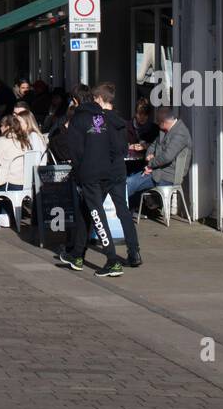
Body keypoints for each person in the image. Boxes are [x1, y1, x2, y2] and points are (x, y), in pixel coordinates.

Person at [60, 89, 124, 277]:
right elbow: (116, 146)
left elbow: (74, 152)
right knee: (85, 211)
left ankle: (112, 260)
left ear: (75, 101)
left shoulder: (78, 120)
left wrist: (79, 175)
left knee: (96, 214)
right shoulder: (105, 117)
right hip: (106, 172)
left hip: (89, 174)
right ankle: (77, 254)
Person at [92, 82, 142, 268]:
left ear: (100, 99)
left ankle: (78, 248)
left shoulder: (98, 120)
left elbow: (96, 144)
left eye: (95, 99)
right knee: (124, 212)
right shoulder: (121, 121)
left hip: (103, 170)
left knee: (93, 209)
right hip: (119, 170)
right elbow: (123, 147)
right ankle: (134, 250)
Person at [126, 105, 193, 205]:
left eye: (158, 121)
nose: (157, 123)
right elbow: (152, 146)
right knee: (129, 181)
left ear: (164, 121)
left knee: (130, 183)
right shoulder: (163, 131)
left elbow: (167, 157)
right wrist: (149, 156)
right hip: (156, 170)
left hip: (168, 176)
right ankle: (128, 212)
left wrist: (150, 165)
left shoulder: (180, 133)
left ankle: (117, 214)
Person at [0, 113, 32, 219]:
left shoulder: (1, 141)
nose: (0, 128)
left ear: (8, 127)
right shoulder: (25, 141)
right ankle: (5, 215)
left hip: (9, 183)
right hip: (25, 183)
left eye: (2, 125)